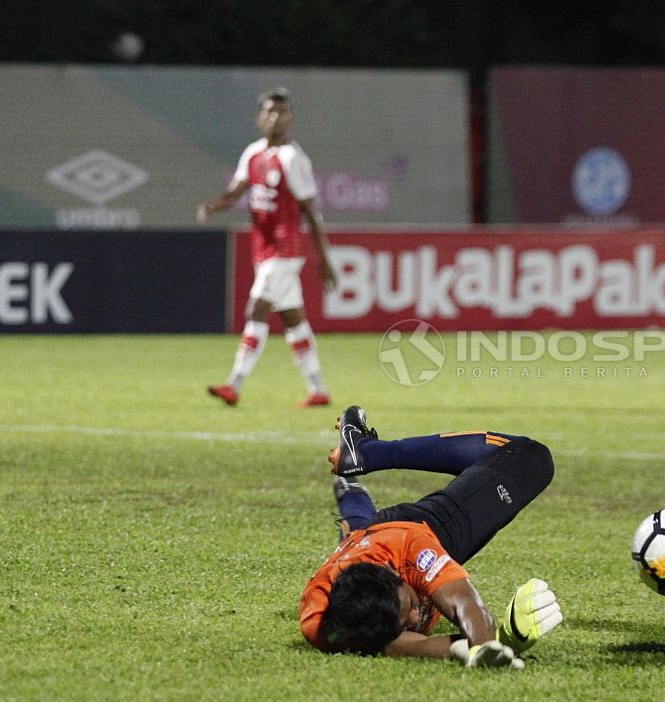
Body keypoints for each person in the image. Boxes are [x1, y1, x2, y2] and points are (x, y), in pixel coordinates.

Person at [299, 406, 563, 666]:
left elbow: (462, 600)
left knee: (530, 458)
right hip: (361, 545)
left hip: (412, 528)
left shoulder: (411, 549)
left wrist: (484, 643)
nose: (416, 617)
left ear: (394, 574)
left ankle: (366, 452)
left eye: (411, 603)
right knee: (356, 534)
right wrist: (502, 645)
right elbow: (412, 646)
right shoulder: (327, 628)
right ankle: (350, 491)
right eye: (405, 622)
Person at [198, 87, 337, 408]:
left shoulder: (293, 159)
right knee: (293, 320)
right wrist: (212, 207)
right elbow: (236, 192)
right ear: (259, 118)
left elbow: (310, 211)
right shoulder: (253, 153)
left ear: (290, 118)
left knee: (256, 309)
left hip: (284, 249)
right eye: (270, 112)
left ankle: (234, 385)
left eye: (282, 112)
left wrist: (324, 259)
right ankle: (319, 390)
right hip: (263, 250)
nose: (276, 117)